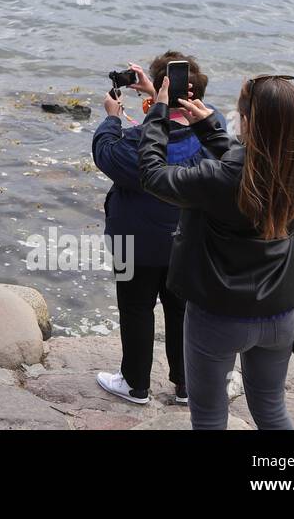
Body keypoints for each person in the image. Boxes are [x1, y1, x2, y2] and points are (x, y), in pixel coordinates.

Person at [138, 74, 294, 431]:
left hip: (218, 318)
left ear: (247, 122)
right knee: (271, 410)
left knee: (209, 418)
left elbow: (152, 174)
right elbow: (252, 171)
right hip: (279, 316)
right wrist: (209, 130)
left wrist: (157, 111)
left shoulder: (216, 180)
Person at [91, 52, 224, 406]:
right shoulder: (214, 133)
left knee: (135, 309)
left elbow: (104, 152)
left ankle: (135, 384)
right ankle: (185, 385)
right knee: (182, 311)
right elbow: (188, 119)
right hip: (187, 240)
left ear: (164, 87)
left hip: (132, 241)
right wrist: (154, 95)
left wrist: (112, 118)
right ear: (195, 92)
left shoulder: (136, 142)